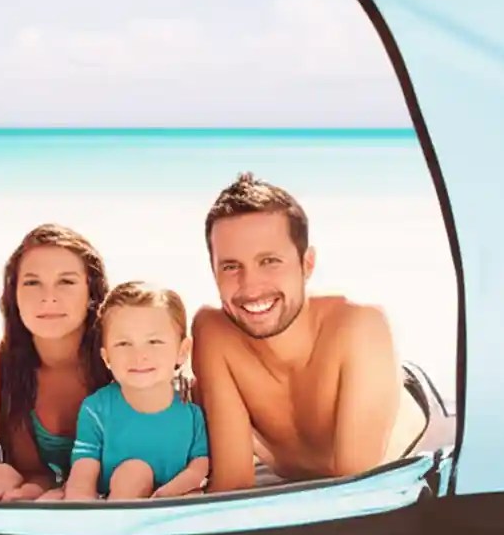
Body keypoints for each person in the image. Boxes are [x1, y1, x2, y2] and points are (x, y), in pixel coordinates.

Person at [192, 172, 428, 493]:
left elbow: (353, 491)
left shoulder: (359, 327)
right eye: (231, 266)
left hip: (413, 434)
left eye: (269, 261)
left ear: (307, 264)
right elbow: (233, 484)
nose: (251, 287)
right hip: (301, 472)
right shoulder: (214, 332)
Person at [0, 224, 113, 502]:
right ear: (14, 295)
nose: (49, 297)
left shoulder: (120, 356)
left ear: (91, 292)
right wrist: (33, 493)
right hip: (45, 499)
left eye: (66, 282)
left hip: (117, 493)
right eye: (32, 282)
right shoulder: (4, 367)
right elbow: (32, 472)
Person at [63, 281, 211, 501]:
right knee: (133, 473)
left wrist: (166, 494)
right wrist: (80, 504)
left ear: (182, 351)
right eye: (124, 344)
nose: (139, 355)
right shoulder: (97, 409)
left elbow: (199, 464)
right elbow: (83, 473)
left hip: (170, 502)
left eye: (154, 341)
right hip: (110, 503)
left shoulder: (192, 414)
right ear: (106, 357)